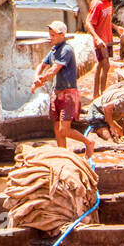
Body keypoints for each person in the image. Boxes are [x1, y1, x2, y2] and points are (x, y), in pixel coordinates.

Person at [31, 20, 94, 152]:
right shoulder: (54, 50)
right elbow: (42, 65)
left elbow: (54, 70)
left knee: (64, 129)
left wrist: (39, 82)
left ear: (62, 35)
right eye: (50, 35)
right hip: (57, 93)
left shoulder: (66, 49)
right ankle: (63, 154)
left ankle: (88, 142)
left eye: (53, 35)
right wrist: (36, 76)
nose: (51, 38)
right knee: (56, 128)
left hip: (68, 94)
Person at [85, 0, 124, 98]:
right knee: (106, 65)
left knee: (101, 65)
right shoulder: (97, 4)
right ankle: (103, 94)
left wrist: (116, 28)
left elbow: (107, 20)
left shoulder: (109, 3)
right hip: (100, 39)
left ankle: (96, 94)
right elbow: (88, 23)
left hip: (108, 38)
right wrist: (97, 38)